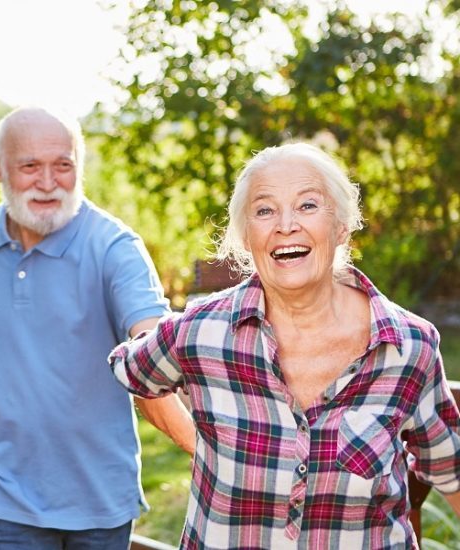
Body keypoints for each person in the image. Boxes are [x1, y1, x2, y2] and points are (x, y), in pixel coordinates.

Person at [108, 142, 460, 547]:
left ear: (342, 225)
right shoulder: (201, 331)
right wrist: (199, 445)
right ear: (245, 236)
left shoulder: (408, 345)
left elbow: (448, 465)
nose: (286, 225)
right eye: (264, 210)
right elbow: (133, 370)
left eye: (308, 205)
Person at [0, 106, 195, 549]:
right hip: (2, 491)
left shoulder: (114, 247)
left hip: (97, 494)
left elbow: (152, 346)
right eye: (30, 166)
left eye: (62, 165)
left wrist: (205, 451)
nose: (48, 183)